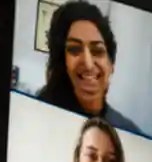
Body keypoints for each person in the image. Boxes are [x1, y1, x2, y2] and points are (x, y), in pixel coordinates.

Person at [37, 1, 141, 134]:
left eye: (97, 51)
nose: (88, 63)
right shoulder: (38, 116)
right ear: (60, 61)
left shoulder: (128, 131)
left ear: (111, 65)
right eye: (74, 49)